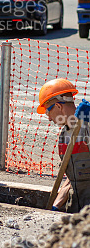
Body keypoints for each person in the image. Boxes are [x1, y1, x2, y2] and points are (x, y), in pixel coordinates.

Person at [37, 78, 90, 212]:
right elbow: (72, 178)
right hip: (76, 210)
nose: (49, 118)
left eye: (48, 112)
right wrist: (56, 204)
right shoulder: (64, 136)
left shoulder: (87, 127)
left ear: (59, 106)